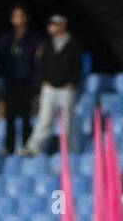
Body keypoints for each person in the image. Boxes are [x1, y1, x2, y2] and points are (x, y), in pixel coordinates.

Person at [22, 14, 83, 156]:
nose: (51, 28)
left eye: (54, 25)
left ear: (62, 26)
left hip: (67, 89)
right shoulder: (47, 44)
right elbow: (41, 65)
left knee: (68, 120)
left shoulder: (73, 44)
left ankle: (69, 149)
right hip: (49, 87)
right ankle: (33, 148)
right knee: (44, 119)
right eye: (50, 25)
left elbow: (78, 66)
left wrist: (73, 82)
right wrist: (44, 80)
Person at [0, 5, 39, 155]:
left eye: (21, 16)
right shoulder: (7, 39)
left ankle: (26, 145)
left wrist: (36, 83)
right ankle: (9, 147)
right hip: (10, 83)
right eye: (15, 16)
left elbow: (36, 62)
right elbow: (1, 60)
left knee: (26, 116)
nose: (18, 19)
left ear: (26, 18)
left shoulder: (34, 38)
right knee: (10, 116)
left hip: (27, 83)